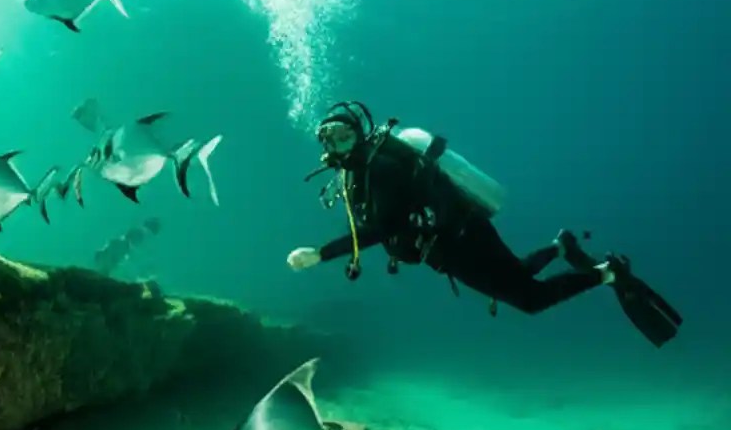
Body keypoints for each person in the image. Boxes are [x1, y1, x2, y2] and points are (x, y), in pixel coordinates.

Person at [286, 101, 683, 348]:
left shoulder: (383, 167)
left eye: (341, 135)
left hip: (462, 240)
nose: (333, 145)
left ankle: (607, 273)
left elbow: (377, 230)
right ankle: (561, 245)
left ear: (358, 132)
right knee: (518, 275)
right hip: (452, 243)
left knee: (531, 299)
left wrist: (321, 254)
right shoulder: (355, 174)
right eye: (327, 138)